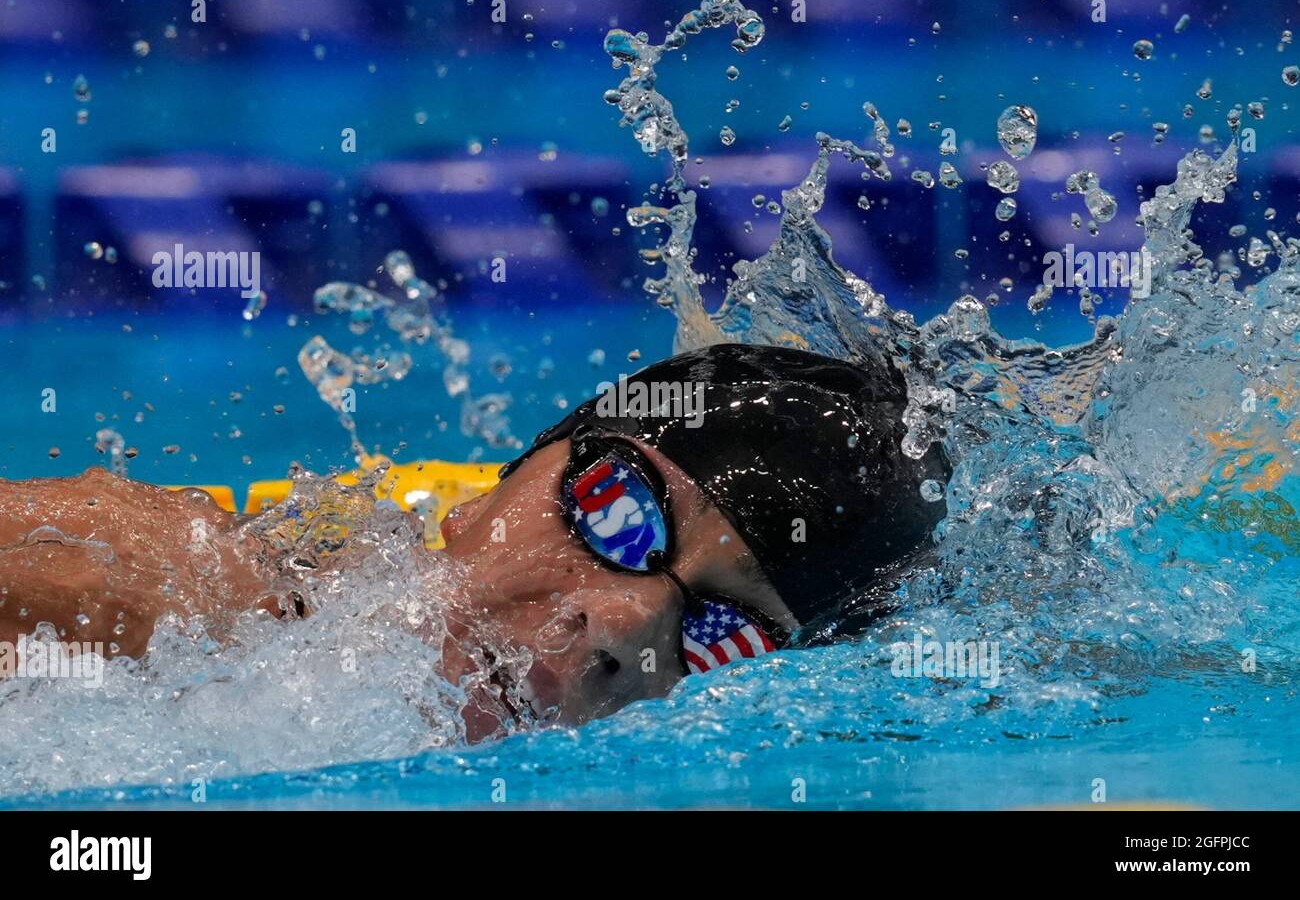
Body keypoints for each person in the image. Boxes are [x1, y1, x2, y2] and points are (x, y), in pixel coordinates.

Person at [0, 343, 947, 740]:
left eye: (725, 632)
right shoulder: (150, 599)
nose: (623, 623)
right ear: (503, 483)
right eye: (618, 511)